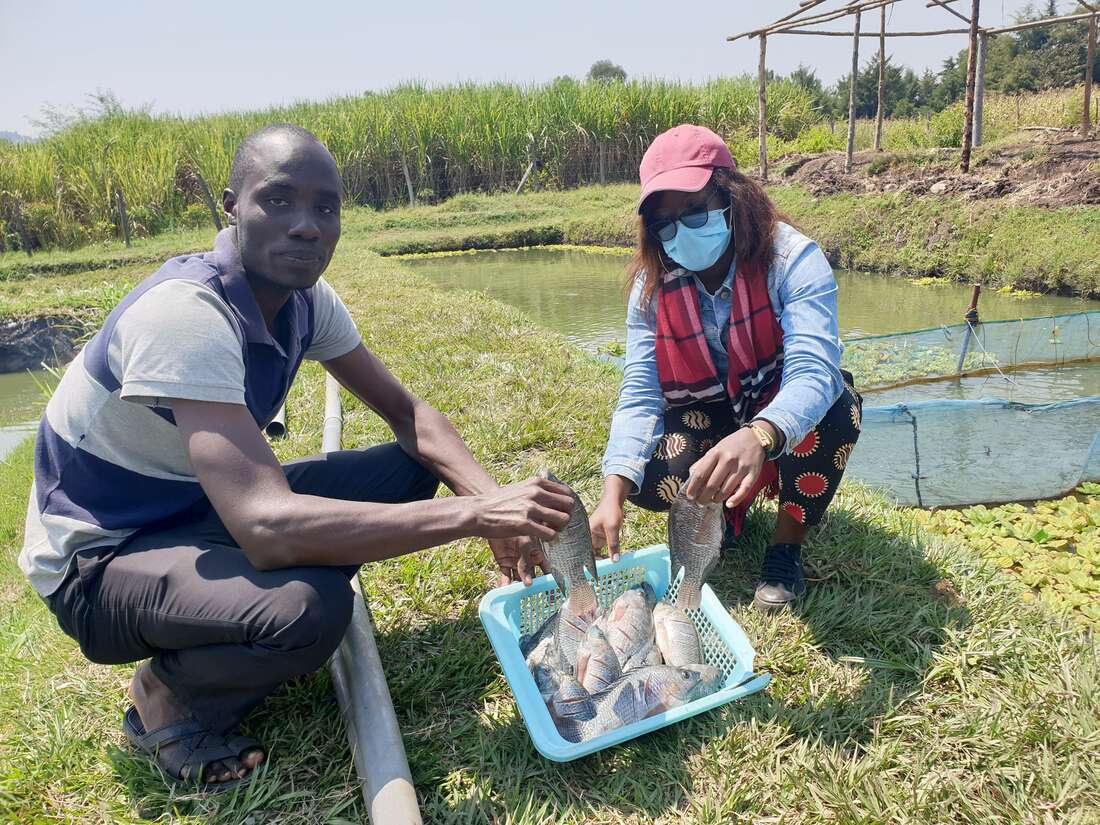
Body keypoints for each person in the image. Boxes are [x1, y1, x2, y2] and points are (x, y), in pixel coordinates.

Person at [19, 124, 573, 790]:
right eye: (278, 200)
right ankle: (168, 695)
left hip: (195, 509)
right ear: (232, 207)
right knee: (310, 609)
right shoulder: (186, 316)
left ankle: (228, 612)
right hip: (101, 561)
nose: (306, 226)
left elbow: (411, 417)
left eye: (325, 207)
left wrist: (491, 501)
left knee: (411, 465)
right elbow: (265, 525)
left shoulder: (305, 302)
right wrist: (477, 515)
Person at [588, 124, 861, 612]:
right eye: (665, 223)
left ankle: (785, 548)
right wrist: (612, 492)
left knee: (837, 412)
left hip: (779, 398)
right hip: (710, 409)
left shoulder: (791, 258)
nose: (681, 231)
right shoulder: (652, 287)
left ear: (733, 197)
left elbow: (814, 369)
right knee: (649, 473)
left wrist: (760, 433)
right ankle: (721, 517)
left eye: (695, 211)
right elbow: (641, 392)